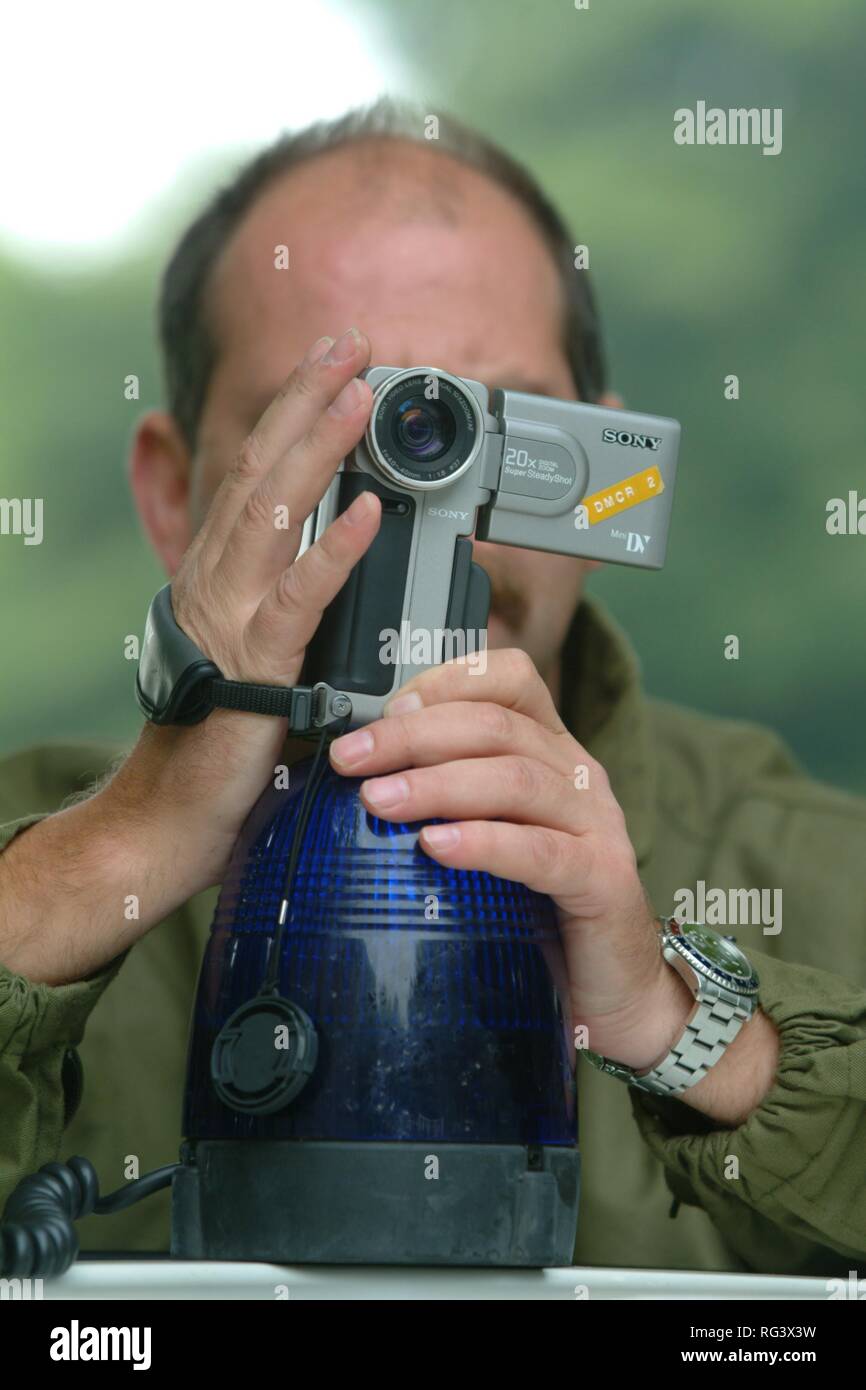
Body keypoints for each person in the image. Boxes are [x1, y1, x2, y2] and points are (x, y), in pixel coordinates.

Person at [1, 100, 864, 1276]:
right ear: (170, 495)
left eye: (479, 433)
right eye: (323, 429)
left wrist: (690, 1029)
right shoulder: (37, 847)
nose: (410, 502)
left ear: (594, 483)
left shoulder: (816, 874)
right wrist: (98, 866)